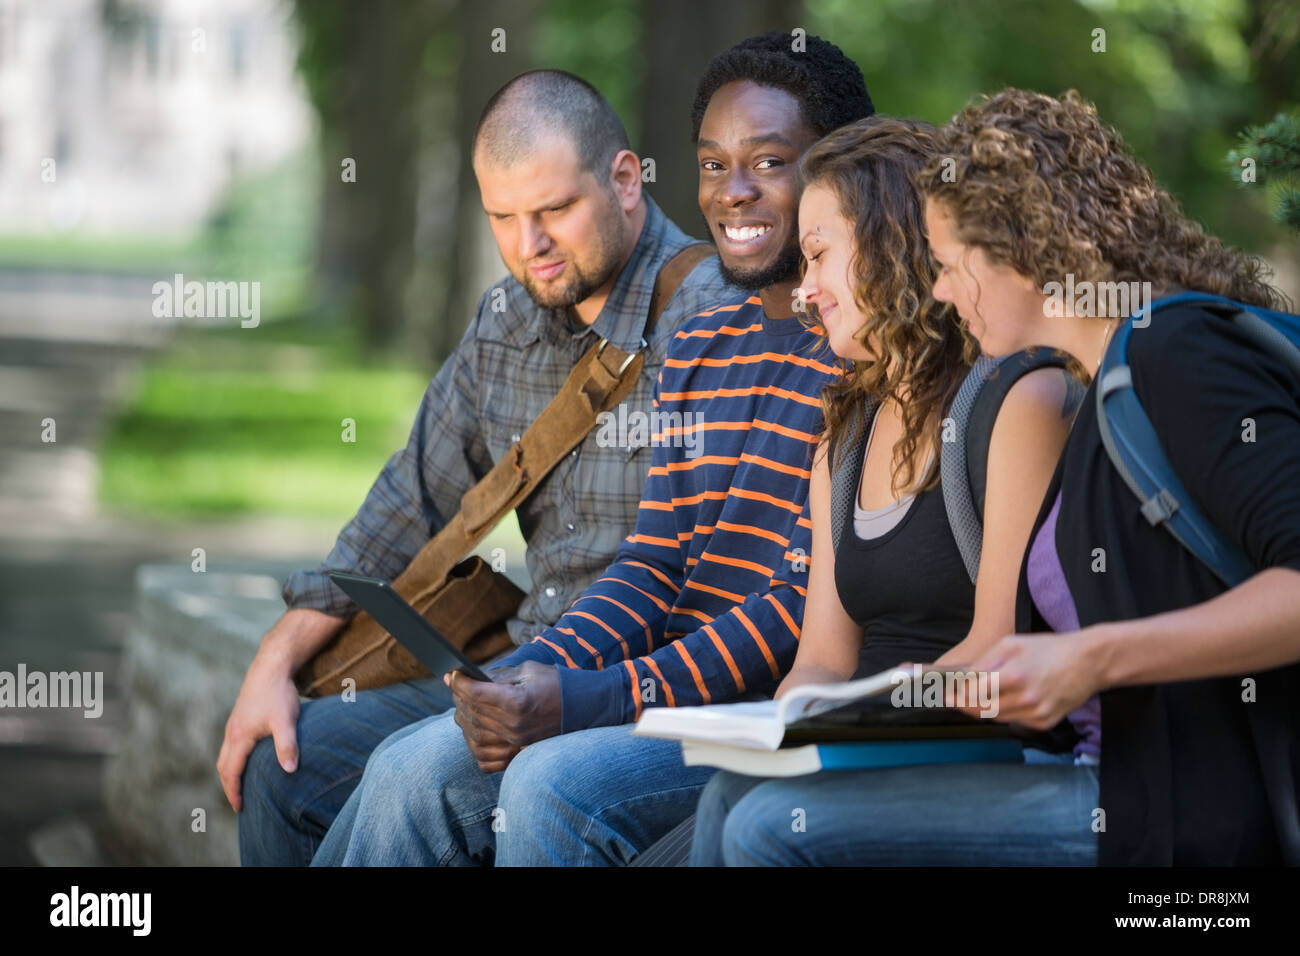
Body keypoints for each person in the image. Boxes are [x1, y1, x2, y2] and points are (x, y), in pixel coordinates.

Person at [309, 32, 877, 867]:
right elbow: (653, 562)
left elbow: (797, 608)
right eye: (714, 164)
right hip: (657, 694)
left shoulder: (863, 357)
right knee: (407, 764)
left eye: (770, 162)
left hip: (750, 710)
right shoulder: (703, 344)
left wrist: (593, 695)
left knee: (543, 785)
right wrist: (532, 672)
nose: (734, 192)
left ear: (837, 173)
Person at [701, 87, 1300, 866]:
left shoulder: (1174, 350)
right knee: (735, 801)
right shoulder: (1105, 385)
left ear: (1019, 249)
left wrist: (1092, 659)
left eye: (948, 265)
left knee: (768, 827)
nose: (940, 291)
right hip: (1133, 787)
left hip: (1185, 816)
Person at [222, 69, 735, 866]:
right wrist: (275, 657)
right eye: (503, 217)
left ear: (626, 181)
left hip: (639, 699)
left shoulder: (715, 319)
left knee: (412, 779)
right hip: (512, 671)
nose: (529, 246)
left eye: (555, 210)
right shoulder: (508, 319)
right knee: (285, 761)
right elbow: (410, 500)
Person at [689, 114, 1086, 866]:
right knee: (729, 792)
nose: (804, 290)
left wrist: (859, 716)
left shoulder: (1015, 400)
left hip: (976, 748)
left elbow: (998, 646)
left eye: (817, 256)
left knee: (760, 821)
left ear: (890, 245)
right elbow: (823, 658)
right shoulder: (844, 433)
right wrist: (796, 721)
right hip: (857, 745)